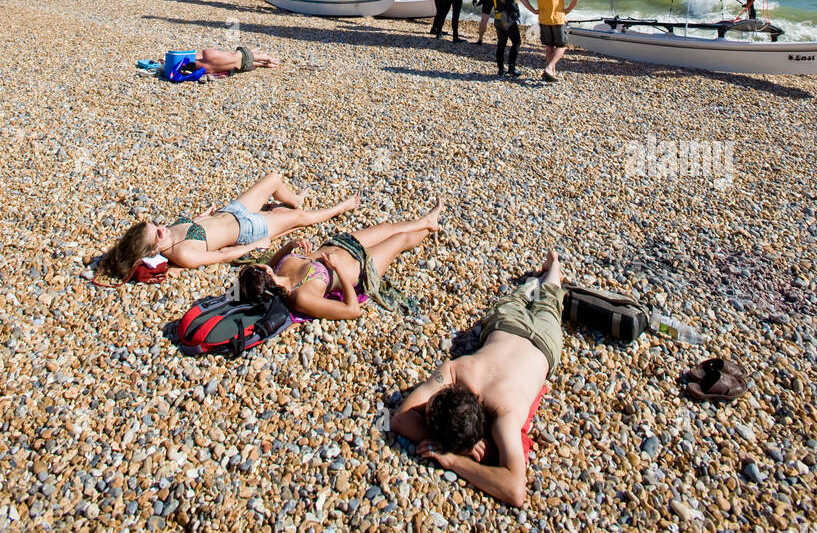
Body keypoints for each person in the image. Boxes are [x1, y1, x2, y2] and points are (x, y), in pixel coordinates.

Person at [391, 251, 564, 506]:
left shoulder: (502, 413)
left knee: (548, 303)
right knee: (533, 299)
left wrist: (452, 458)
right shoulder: (459, 371)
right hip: (510, 328)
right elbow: (400, 419)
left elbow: (516, 491)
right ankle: (551, 270)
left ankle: (550, 273)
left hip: (541, 343)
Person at [99, 174, 360, 281]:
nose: (161, 227)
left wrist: (202, 217)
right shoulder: (183, 254)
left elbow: (195, 226)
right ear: (153, 248)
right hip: (248, 229)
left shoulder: (169, 234)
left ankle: (294, 198)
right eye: (157, 232)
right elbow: (222, 255)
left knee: (274, 178)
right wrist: (255, 246)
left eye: (155, 223)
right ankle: (343, 207)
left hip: (232, 210)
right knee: (300, 217)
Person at [235, 199, 442, 322]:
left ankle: (426, 220)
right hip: (361, 268)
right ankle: (429, 228)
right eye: (260, 266)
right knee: (400, 239)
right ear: (266, 275)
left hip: (343, 245)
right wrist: (338, 269)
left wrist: (290, 246)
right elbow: (352, 311)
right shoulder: (299, 296)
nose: (264, 264)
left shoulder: (277, 269)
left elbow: (273, 261)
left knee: (387, 228)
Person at [520, 0, 581, 81]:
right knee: (562, 45)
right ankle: (550, 67)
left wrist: (533, 10)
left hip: (544, 18)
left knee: (549, 46)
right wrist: (568, 9)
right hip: (558, 18)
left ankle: (551, 72)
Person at [491, 0, 521, 78]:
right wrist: (516, 11)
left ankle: (500, 69)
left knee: (501, 44)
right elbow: (510, 2)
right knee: (517, 42)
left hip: (498, 19)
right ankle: (511, 68)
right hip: (507, 19)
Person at [195, 46, 281, 75]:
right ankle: (270, 60)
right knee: (262, 57)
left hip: (242, 67)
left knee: (256, 62)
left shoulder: (206, 69)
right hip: (242, 56)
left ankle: (266, 63)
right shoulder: (208, 54)